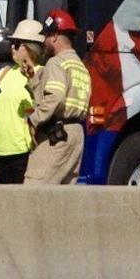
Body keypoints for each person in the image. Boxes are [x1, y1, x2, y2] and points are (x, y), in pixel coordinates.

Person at [23, 9, 91, 185]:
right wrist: (33, 79)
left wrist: (33, 120)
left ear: (54, 36)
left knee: (34, 187)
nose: (44, 41)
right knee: (63, 193)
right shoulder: (79, 65)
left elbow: (55, 98)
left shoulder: (57, 62)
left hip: (57, 135)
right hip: (76, 135)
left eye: (46, 36)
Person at [0, 20, 44, 184]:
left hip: (24, 153)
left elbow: (41, 110)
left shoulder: (41, 74)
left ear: (31, 48)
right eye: (12, 43)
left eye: (17, 44)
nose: (12, 47)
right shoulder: (4, 72)